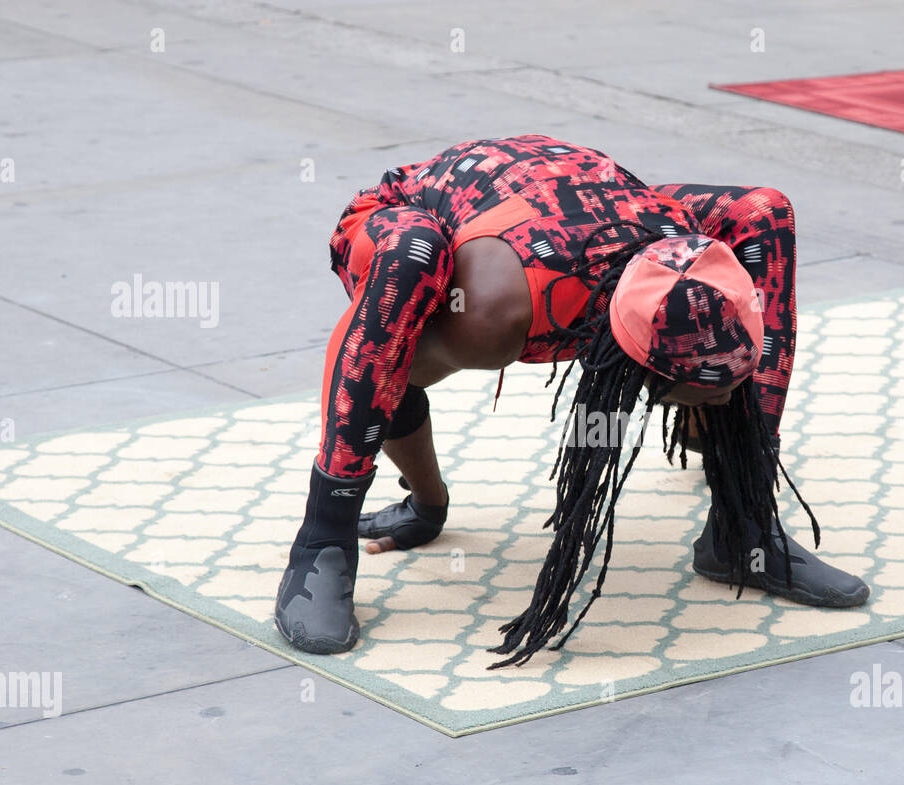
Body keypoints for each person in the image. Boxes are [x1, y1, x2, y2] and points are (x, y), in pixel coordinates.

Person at [275, 134, 869, 669]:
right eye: (705, 395)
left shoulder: (694, 257)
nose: (725, 399)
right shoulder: (488, 316)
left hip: (587, 203)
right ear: (634, 370)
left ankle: (744, 527)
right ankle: (320, 544)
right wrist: (426, 508)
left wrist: (731, 414)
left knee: (764, 211)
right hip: (426, 209)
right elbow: (378, 374)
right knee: (411, 259)